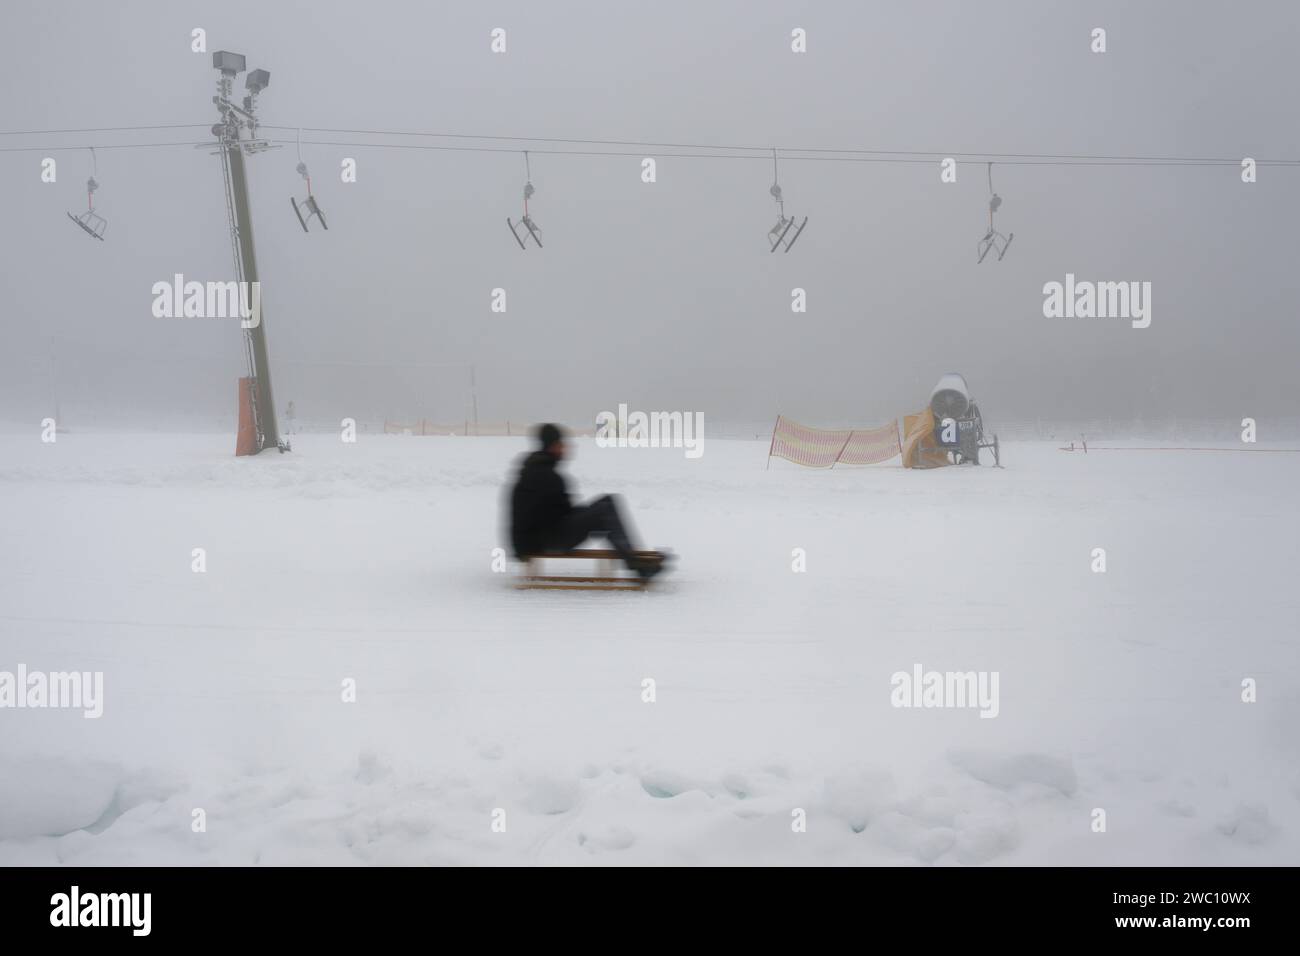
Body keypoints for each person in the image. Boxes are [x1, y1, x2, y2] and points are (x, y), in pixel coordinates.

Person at [509, 423, 666, 580]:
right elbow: (537, 516)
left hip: (546, 535)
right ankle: (636, 564)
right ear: (552, 446)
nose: (565, 448)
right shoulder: (543, 475)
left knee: (607, 502)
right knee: (604, 511)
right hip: (546, 541)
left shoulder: (540, 470)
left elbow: (554, 512)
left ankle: (632, 557)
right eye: (561, 444)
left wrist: (585, 515)